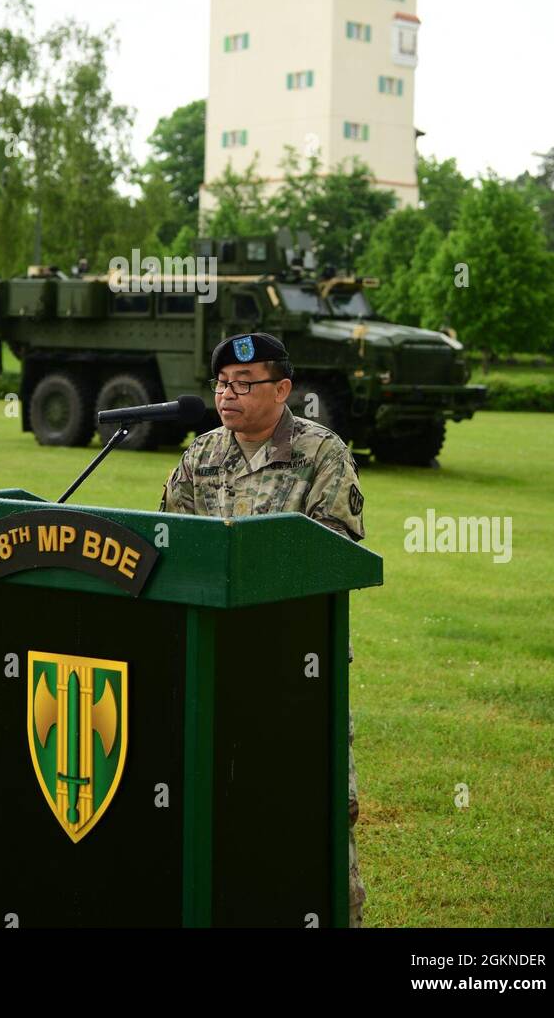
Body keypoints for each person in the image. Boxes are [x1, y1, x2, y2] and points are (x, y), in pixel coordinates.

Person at [159, 330, 367, 927]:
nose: (228, 395)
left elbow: (336, 550)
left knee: (317, 806)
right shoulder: (201, 454)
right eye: (222, 384)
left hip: (297, 663)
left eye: (244, 386)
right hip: (211, 660)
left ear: (283, 390)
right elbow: (169, 541)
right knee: (216, 798)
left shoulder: (321, 452)